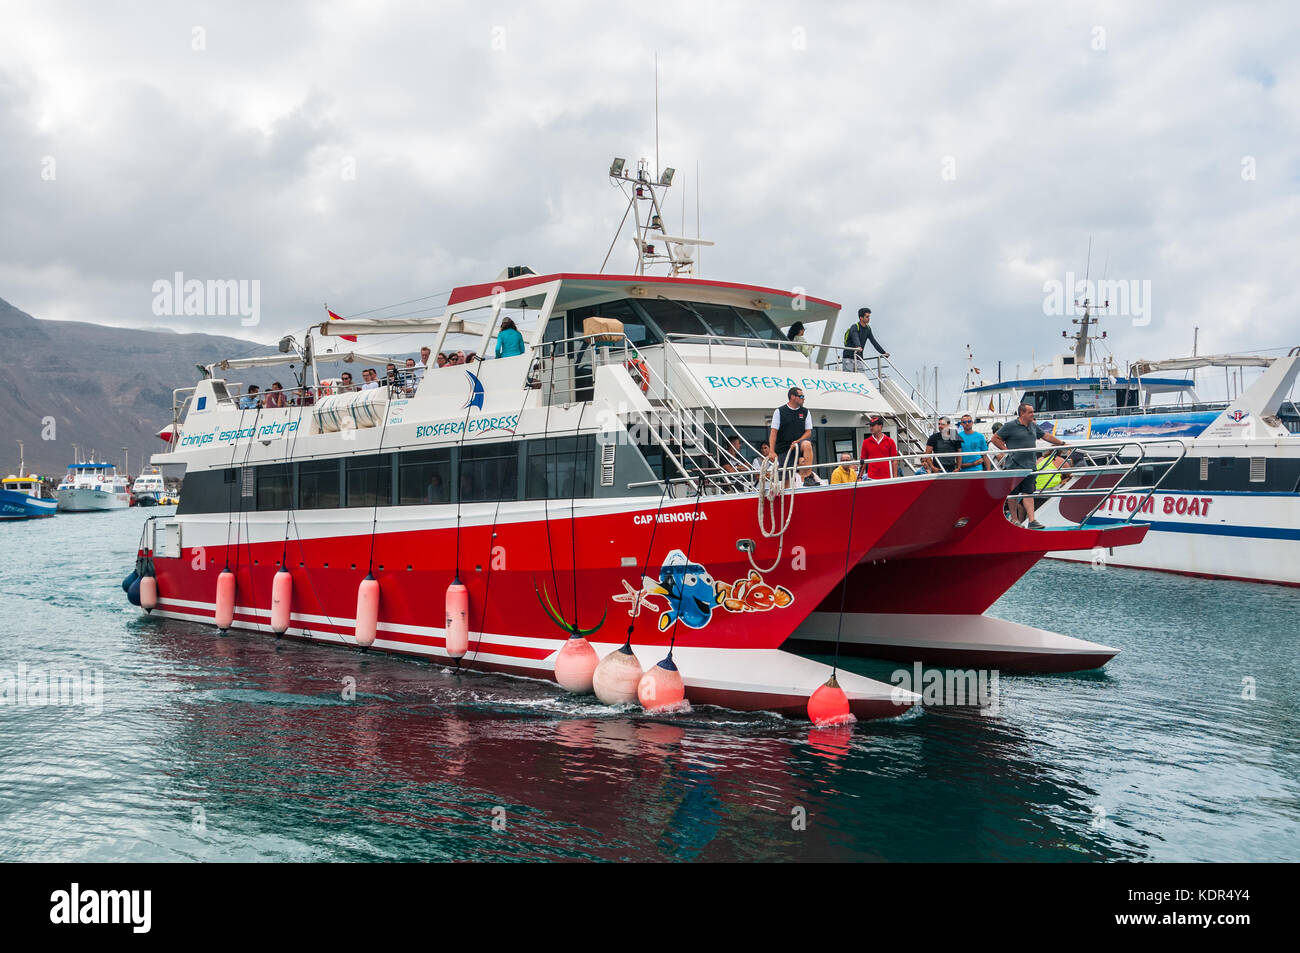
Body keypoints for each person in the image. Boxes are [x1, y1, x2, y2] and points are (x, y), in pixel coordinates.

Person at [990, 402, 1065, 528]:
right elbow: (995, 438)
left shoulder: (1033, 426)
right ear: (1022, 413)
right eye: (1030, 412)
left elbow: (1045, 436)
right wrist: (1007, 450)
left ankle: (1032, 520)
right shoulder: (1010, 426)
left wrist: (1061, 443)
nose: (1033, 414)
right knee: (1013, 494)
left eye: (1032, 412)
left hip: (1030, 465)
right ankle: (1014, 520)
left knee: (1028, 492)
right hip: (1014, 465)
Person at [767, 387, 820, 486]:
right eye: (801, 396)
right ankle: (786, 497)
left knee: (807, 444)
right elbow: (773, 433)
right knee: (786, 479)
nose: (803, 398)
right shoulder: (779, 411)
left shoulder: (805, 412)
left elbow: (808, 432)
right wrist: (771, 452)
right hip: (783, 448)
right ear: (792, 397)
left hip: (798, 445)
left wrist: (797, 441)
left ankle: (807, 478)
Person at [843, 307, 888, 371]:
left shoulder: (868, 329)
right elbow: (855, 337)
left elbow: (873, 341)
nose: (869, 319)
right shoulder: (855, 327)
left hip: (859, 357)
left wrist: (883, 352)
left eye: (869, 317)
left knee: (861, 377)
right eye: (867, 317)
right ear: (861, 318)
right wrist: (858, 346)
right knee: (848, 378)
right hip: (848, 357)